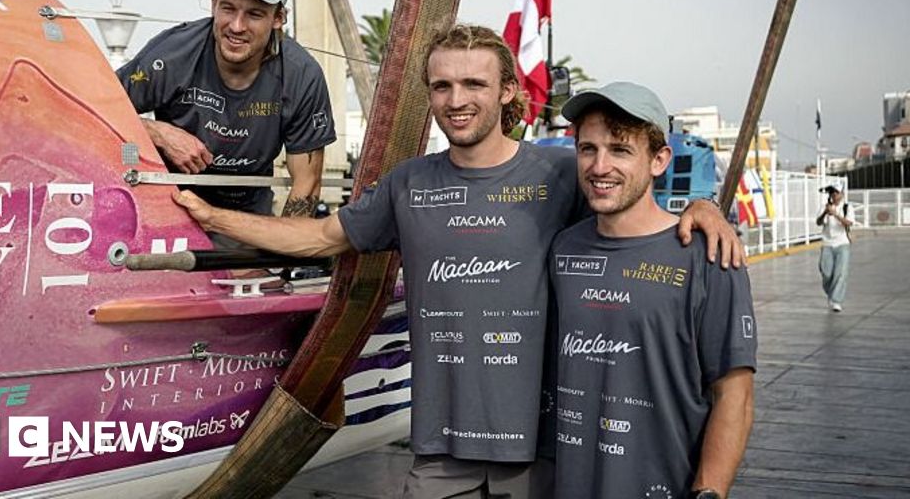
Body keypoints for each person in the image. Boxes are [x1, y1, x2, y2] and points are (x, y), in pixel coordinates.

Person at [173, 25, 743, 498]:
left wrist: (703, 207)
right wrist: (215, 219)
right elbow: (321, 237)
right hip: (440, 453)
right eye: (441, 85)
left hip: (539, 457)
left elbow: (629, 196)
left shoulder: (559, 175)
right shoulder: (408, 185)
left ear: (506, 93)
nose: (456, 99)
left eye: (474, 82)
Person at [549, 82, 757, 499]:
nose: (599, 166)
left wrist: (709, 492)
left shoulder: (709, 255)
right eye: (588, 149)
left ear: (659, 159)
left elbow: (734, 394)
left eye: (620, 150)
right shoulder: (562, 248)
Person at [117, 0, 337, 220]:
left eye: (254, 14)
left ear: (278, 18)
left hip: (245, 216)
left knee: (255, 263)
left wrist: (281, 256)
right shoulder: (171, 55)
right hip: (168, 207)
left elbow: (307, 184)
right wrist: (157, 132)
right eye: (228, 8)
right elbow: (92, 109)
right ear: (213, 4)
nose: (236, 26)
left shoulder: (301, 75)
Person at [816, 185, 853, 312]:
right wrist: (826, 212)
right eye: (832, 194)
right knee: (826, 272)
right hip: (827, 244)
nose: (834, 196)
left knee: (841, 273)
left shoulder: (847, 207)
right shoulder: (824, 207)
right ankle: (831, 293)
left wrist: (836, 214)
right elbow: (819, 222)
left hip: (842, 243)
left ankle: (836, 300)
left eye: (836, 193)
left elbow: (848, 223)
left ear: (841, 194)